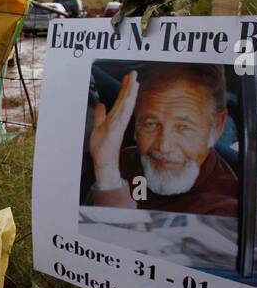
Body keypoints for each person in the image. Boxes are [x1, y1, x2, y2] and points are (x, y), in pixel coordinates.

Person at [84, 63, 240, 216]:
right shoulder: (127, 163)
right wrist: (107, 169)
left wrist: (109, 181)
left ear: (218, 125)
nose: (163, 146)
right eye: (151, 124)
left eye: (184, 127)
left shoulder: (226, 211)